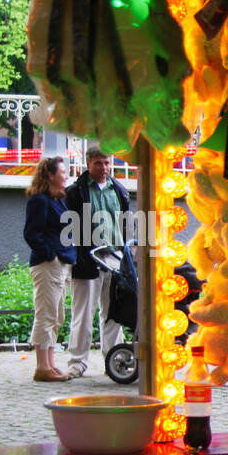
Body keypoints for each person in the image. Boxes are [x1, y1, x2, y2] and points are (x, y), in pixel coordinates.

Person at [63, 147, 128, 378]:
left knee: (113, 312)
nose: (104, 168)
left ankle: (114, 358)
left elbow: (123, 224)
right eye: (99, 163)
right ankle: (77, 362)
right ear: (88, 163)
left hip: (115, 257)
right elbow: (69, 227)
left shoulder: (118, 191)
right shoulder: (76, 192)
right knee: (83, 313)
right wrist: (75, 255)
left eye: (107, 163)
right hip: (87, 257)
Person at [24, 156, 76, 382]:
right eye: (62, 172)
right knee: (45, 314)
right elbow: (31, 233)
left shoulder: (58, 199)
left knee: (57, 315)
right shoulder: (40, 201)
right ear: (50, 175)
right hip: (48, 265)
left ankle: (50, 364)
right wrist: (50, 255)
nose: (66, 175)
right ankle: (41, 367)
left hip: (62, 262)